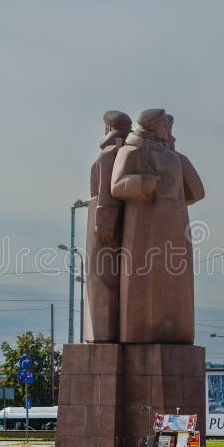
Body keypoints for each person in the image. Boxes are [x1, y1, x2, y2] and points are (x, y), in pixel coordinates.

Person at [111, 109, 205, 344]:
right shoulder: (130, 152)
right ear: (153, 126)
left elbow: (196, 192)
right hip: (142, 230)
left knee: (173, 281)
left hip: (173, 230)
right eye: (166, 126)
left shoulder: (174, 158)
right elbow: (116, 186)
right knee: (142, 280)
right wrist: (140, 183)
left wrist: (178, 159)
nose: (169, 131)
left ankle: (174, 329)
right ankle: (139, 331)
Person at [84, 110, 131, 342]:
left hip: (103, 226)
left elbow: (105, 193)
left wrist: (103, 222)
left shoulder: (109, 154)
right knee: (114, 281)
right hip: (123, 223)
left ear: (109, 128)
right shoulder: (128, 153)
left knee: (100, 280)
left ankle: (101, 333)